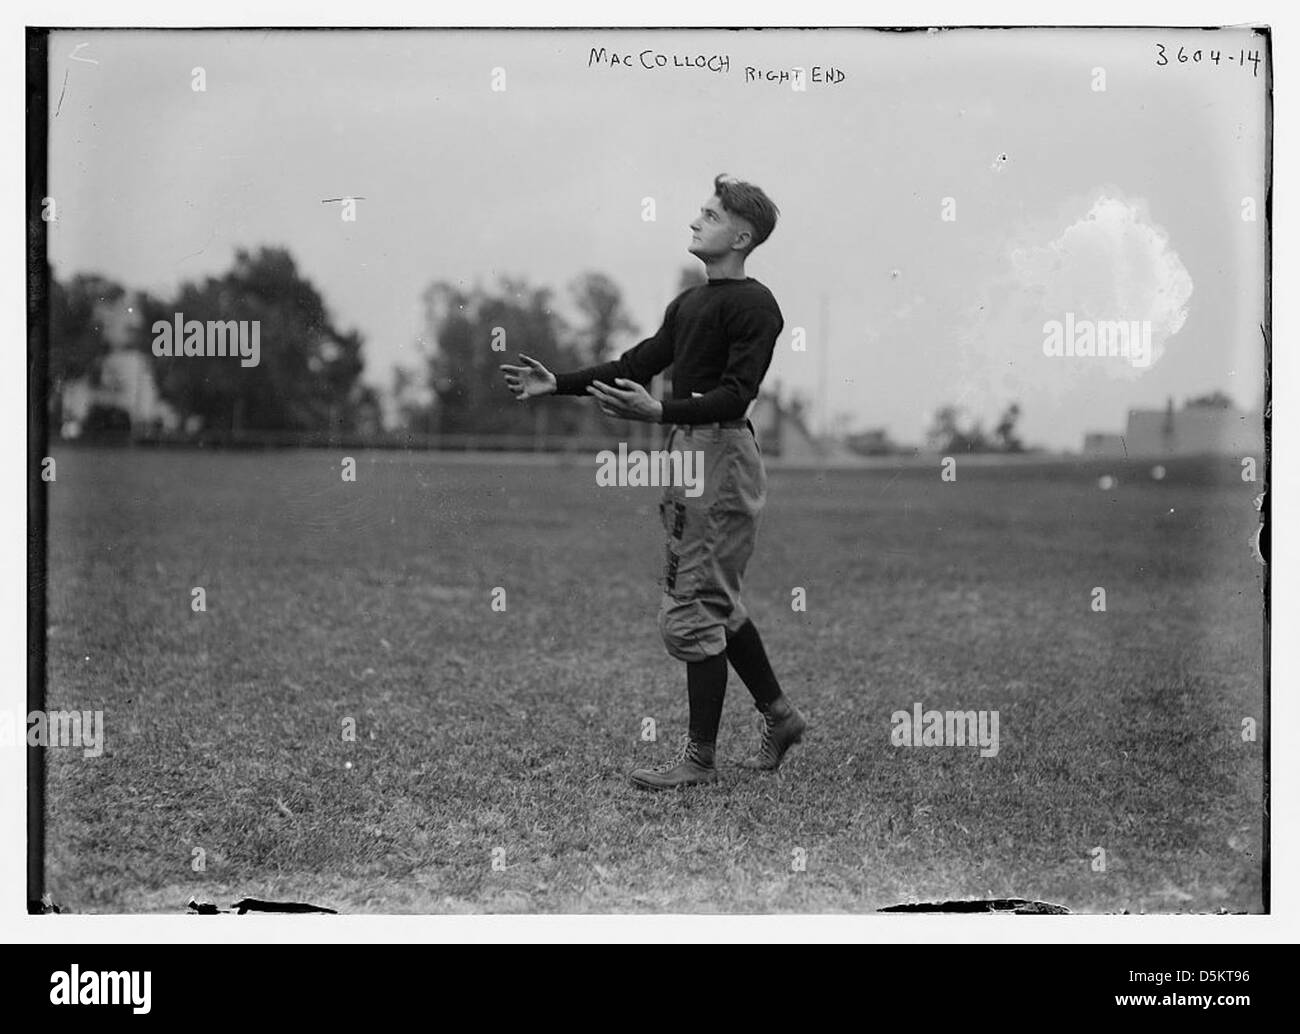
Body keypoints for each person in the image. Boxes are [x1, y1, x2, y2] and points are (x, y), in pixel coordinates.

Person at [499, 174, 806, 790]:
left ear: (741, 235)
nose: (695, 221)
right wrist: (556, 383)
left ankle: (699, 760)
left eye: (710, 215)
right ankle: (780, 716)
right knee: (712, 596)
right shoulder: (691, 303)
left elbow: (735, 395)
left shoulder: (755, 305)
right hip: (684, 450)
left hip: (719, 451)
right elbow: (635, 366)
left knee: (692, 608)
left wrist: (660, 412)